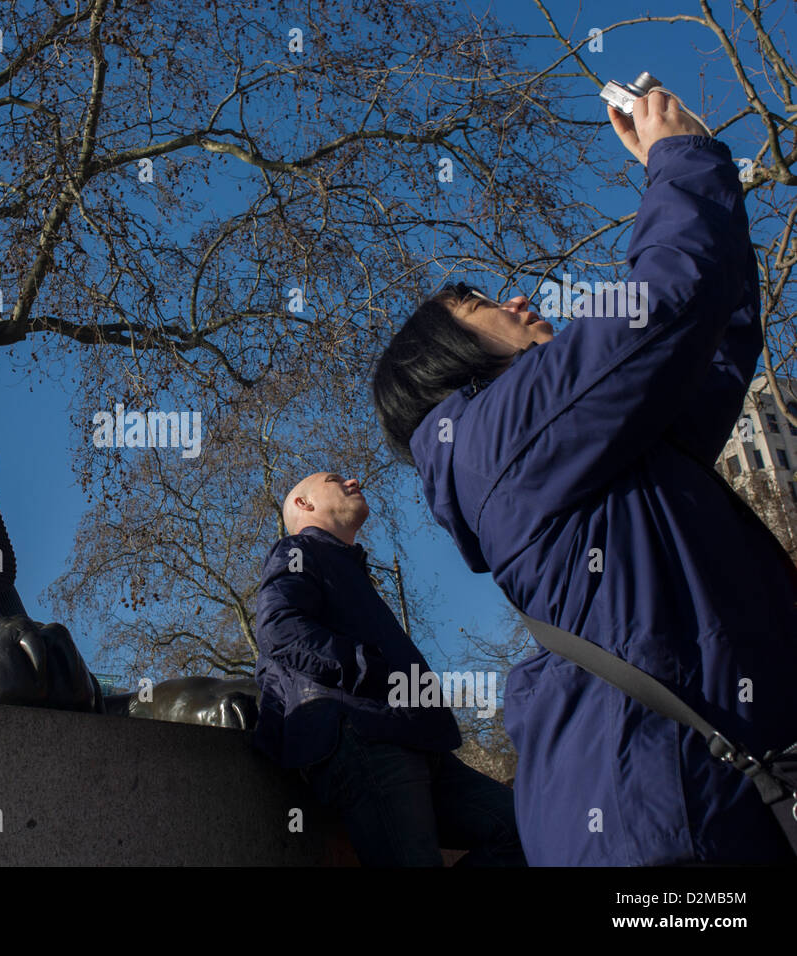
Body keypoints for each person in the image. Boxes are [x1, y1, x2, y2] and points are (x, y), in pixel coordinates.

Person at [372, 91, 797, 865]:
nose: (517, 297)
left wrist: (705, 180)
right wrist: (676, 159)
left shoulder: (557, 445)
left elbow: (705, 348)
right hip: (666, 820)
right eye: (476, 302)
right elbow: (663, 304)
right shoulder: (495, 432)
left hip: (686, 805)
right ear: (440, 357)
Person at [252, 470, 526, 866]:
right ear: (304, 504)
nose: (354, 481)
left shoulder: (346, 565)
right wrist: (370, 669)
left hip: (414, 739)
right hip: (364, 735)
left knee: (523, 830)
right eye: (335, 479)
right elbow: (279, 629)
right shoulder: (297, 551)